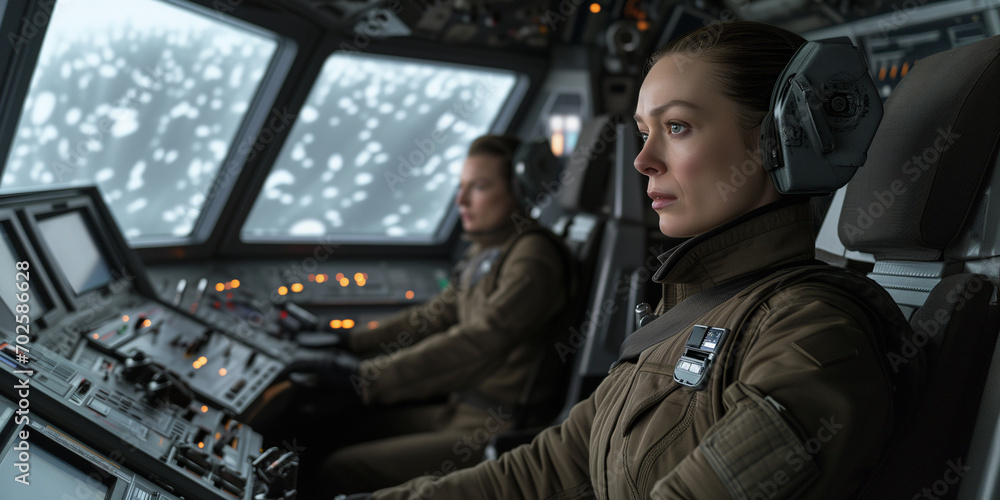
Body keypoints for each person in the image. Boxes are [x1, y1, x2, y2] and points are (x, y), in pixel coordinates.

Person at [357, 21, 918, 500]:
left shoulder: (813, 334)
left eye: (677, 127)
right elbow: (546, 469)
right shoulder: (685, 311)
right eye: (645, 133)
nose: (644, 160)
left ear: (783, 139)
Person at [263, 134, 574, 495]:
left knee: (342, 470)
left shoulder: (533, 259)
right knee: (334, 430)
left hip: (497, 426)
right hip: (458, 409)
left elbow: (479, 341)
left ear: (521, 190)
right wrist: (347, 339)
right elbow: (430, 317)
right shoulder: (489, 252)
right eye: (461, 187)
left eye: (480, 187)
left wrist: (366, 377)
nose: (461, 201)